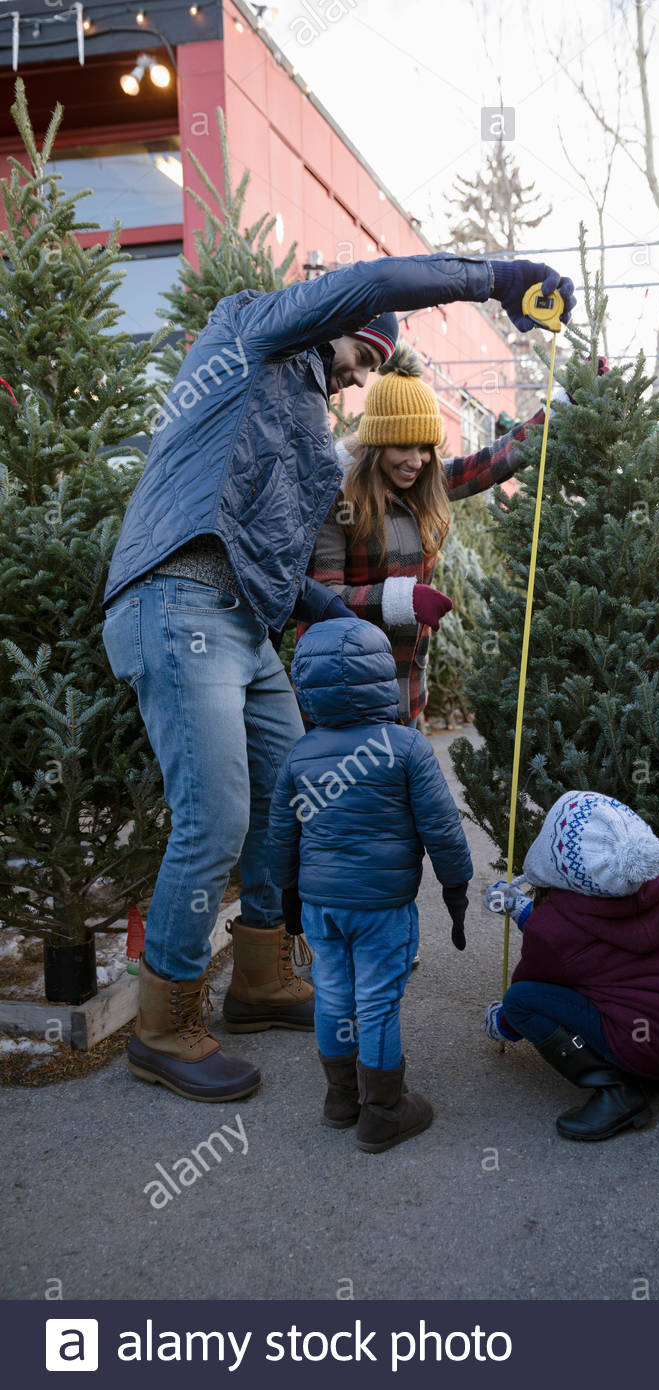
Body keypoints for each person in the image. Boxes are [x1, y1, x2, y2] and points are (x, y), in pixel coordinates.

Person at [100, 252, 574, 1104]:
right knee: (214, 816)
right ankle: (163, 1024)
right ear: (340, 328)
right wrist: (492, 278)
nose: (362, 379)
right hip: (177, 599)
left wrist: (373, 611)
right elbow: (374, 284)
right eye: (367, 357)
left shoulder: (312, 437)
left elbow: (283, 578)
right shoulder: (253, 334)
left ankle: (259, 982)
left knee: (294, 799)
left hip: (247, 621)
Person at [267, 616, 472, 1153]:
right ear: (385, 677)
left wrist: (289, 901)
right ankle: (382, 1110)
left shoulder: (299, 755)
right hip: (382, 907)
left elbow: (280, 837)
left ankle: (340, 1099)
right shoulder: (406, 748)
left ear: (305, 688)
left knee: (333, 992)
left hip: (320, 906)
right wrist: (456, 891)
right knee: (378, 1001)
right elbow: (443, 830)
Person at [300, 342, 553, 728]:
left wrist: (556, 410)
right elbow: (322, 596)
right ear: (377, 444)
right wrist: (402, 598)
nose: (415, 460)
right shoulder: (337, 494)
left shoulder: (425, 481)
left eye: (425, 447)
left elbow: (487, 464)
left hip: (408, 692)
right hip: (345, 695)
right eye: (402, 446)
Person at [483, 791, 659, 1141]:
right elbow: (579, 935)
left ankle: (617, 1092)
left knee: (520, 1000)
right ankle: (637, 1065)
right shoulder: (644, 885)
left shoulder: (557, 933)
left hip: (653, 1049)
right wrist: (520, 909)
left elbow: (535, 986)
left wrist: (503, 1023)